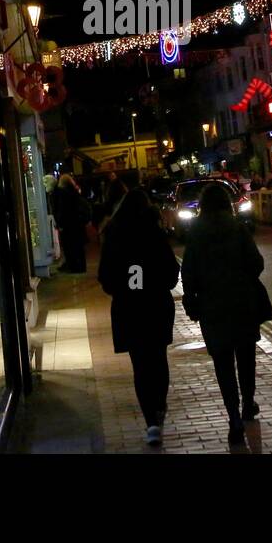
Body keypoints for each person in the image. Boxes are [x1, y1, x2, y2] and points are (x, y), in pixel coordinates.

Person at [180, 183, 272, 446]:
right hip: (243, 302)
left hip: (212, 306)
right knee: (246, 357)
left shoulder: (195, 233)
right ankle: (248, 403)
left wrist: (192, 299)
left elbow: (188, 273)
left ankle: (233, 418)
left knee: (223, 364)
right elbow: (256, 263)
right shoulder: (237, 228)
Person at [98, 189, 180, 446]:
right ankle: (159, 406)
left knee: (141, 365)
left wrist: (123, 289)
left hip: (128, 308)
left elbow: (105, 277)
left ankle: (151, 422)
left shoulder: (114, 235)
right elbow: (171, 272)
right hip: (156, 305)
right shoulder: (154, 233)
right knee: (158, 359)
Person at [51, 174, 91, 273]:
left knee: (70, 247)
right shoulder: (75, 191)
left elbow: (62, 210)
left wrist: (59, 223)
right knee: (79, 247)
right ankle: (81, 267)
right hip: (78, 223)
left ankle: (74, 267)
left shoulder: (62, 193)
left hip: (68, 225)